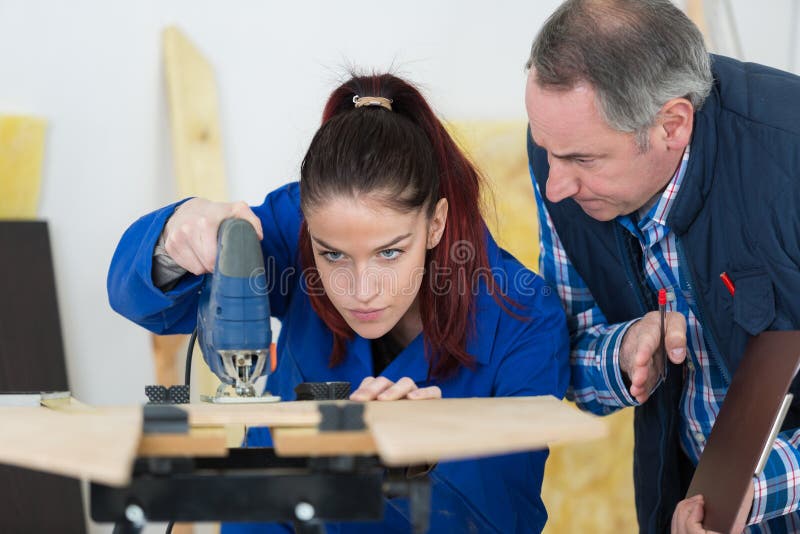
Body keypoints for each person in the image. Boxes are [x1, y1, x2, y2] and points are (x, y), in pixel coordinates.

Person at [108, 73, 569, 533]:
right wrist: (174, 238)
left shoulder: (526, 322)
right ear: (309, 229)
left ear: (436, 223)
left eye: (389, 252)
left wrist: (415, 463)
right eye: (333, 255)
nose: (361, 288)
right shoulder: (295, 232)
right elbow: (143, 302)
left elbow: (504, 521)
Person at [523, 0, 800, 532]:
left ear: (672, 124)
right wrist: (620, 353)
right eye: (545, 151)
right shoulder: (559, 151)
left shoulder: (789, 153)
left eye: (583, 160)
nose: (554, 185)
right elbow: (563, 358)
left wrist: (754, 487)